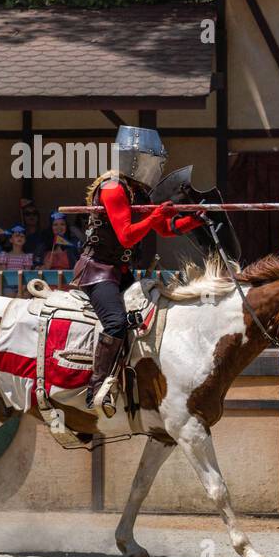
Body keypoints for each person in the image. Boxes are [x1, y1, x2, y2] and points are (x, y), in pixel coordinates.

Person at [72, 126, 204, 415]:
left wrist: (194, 220)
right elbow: (127, 236)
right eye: (153, 161)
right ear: (135, 159)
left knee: (148, 319)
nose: (156, 167)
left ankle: (129, 380)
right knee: (116, 323)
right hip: (98, 271)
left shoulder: (138, 191)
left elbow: (165, 229)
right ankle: (96, 388)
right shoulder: (113, 188)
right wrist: (156, 214)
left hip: (120, 272)